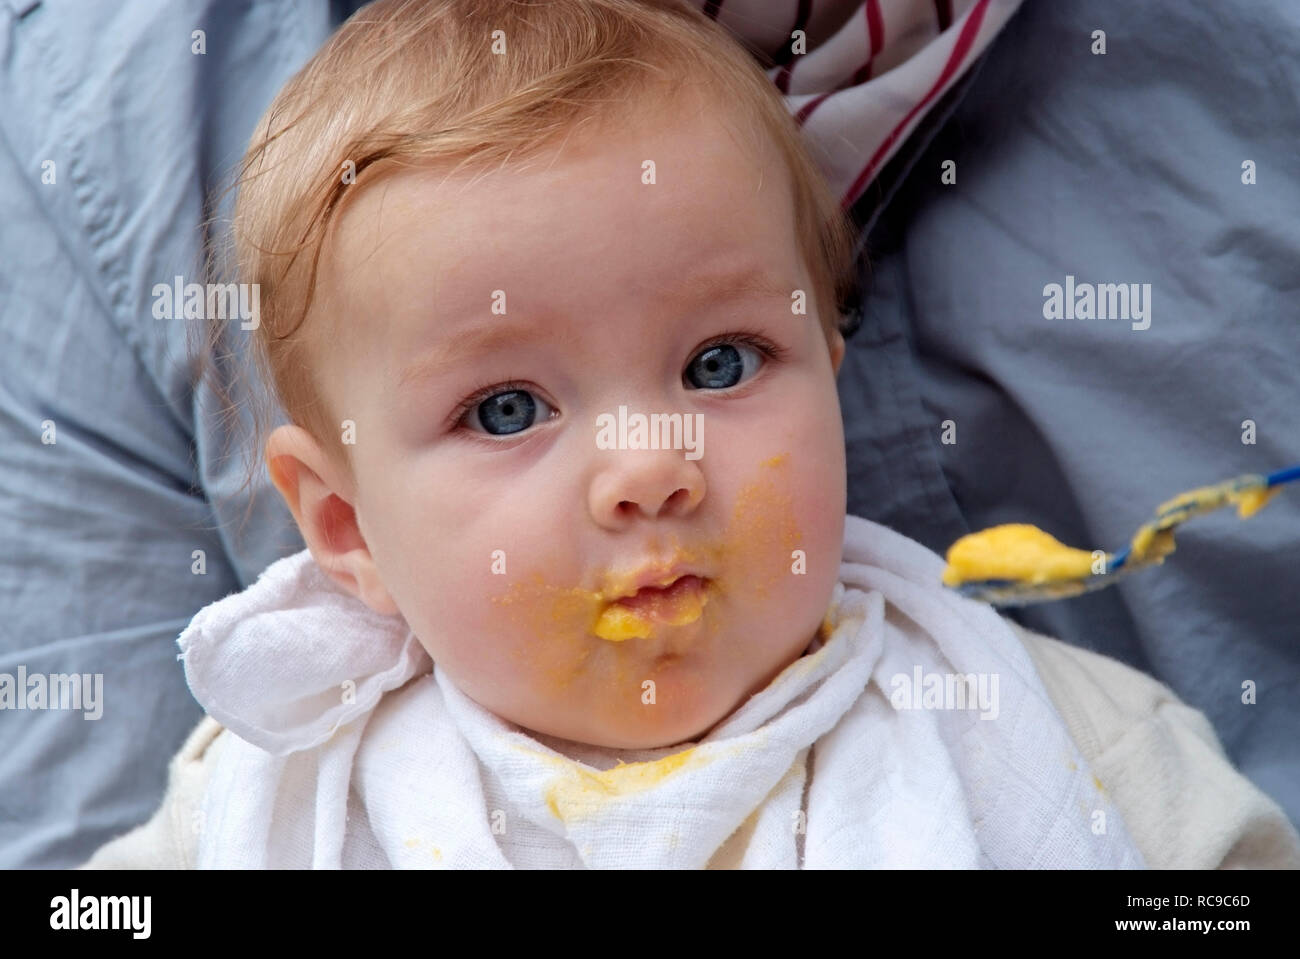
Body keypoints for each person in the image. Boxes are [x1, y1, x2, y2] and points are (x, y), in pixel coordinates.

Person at [82, 0, 1297, 868]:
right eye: (508, 409)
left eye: (720, 364)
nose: (653, 466)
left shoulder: (1049, 735)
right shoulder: (280, 785)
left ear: (826, 366)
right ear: (345, 524)